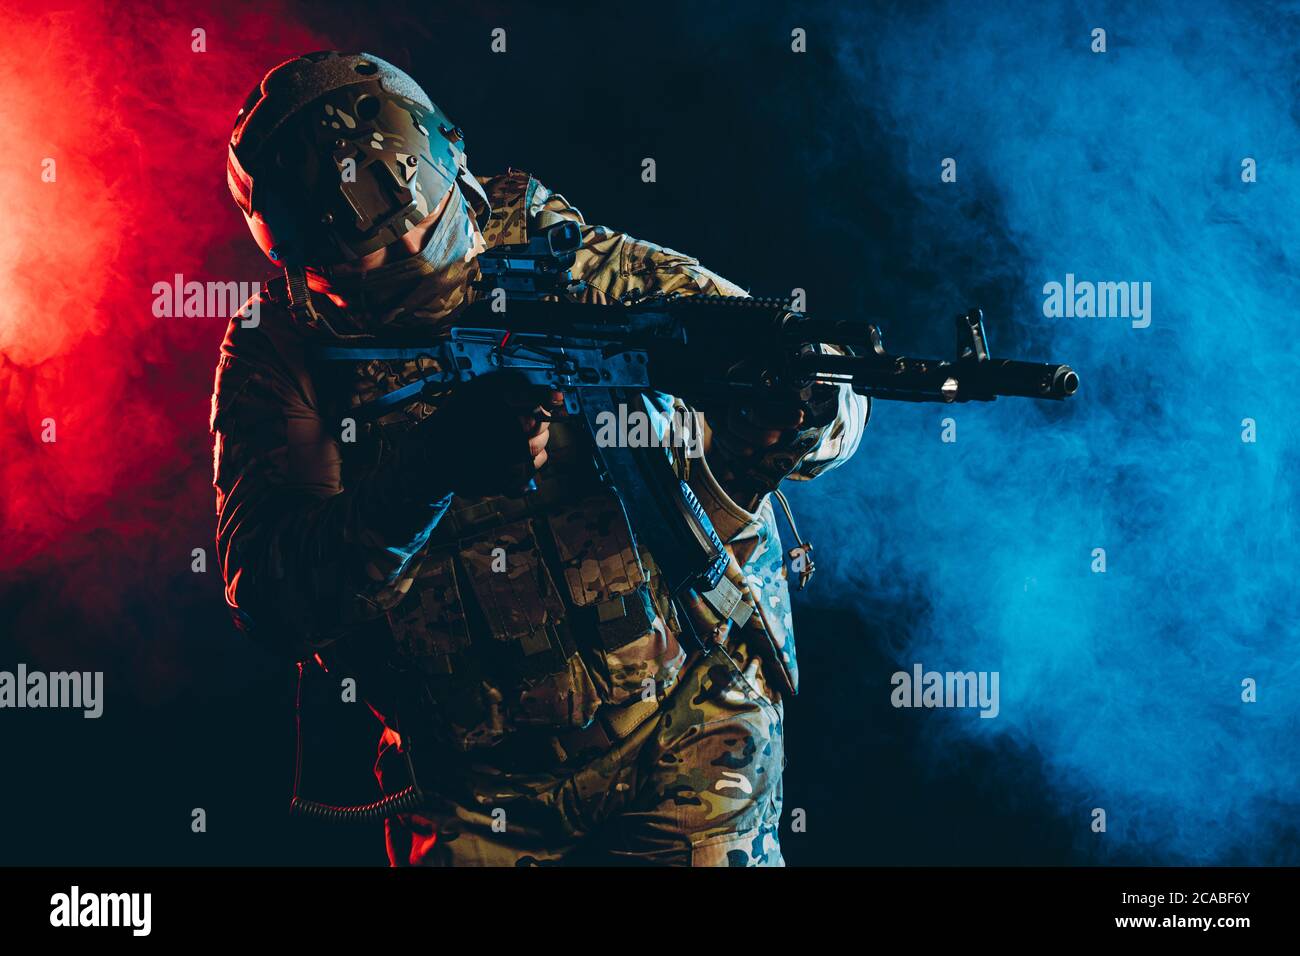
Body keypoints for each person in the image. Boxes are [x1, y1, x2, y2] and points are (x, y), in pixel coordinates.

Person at [213, 51, 868, 865]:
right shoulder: (283, 354)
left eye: (424, 227)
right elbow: (272, 598)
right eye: (367, 261)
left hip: (682, 715)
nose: (409, 258)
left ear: (457, 172)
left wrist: (806, 413)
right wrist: (432, 467)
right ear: (298, 262)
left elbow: (818, 404)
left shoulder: (578, 266)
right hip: (467, 776)